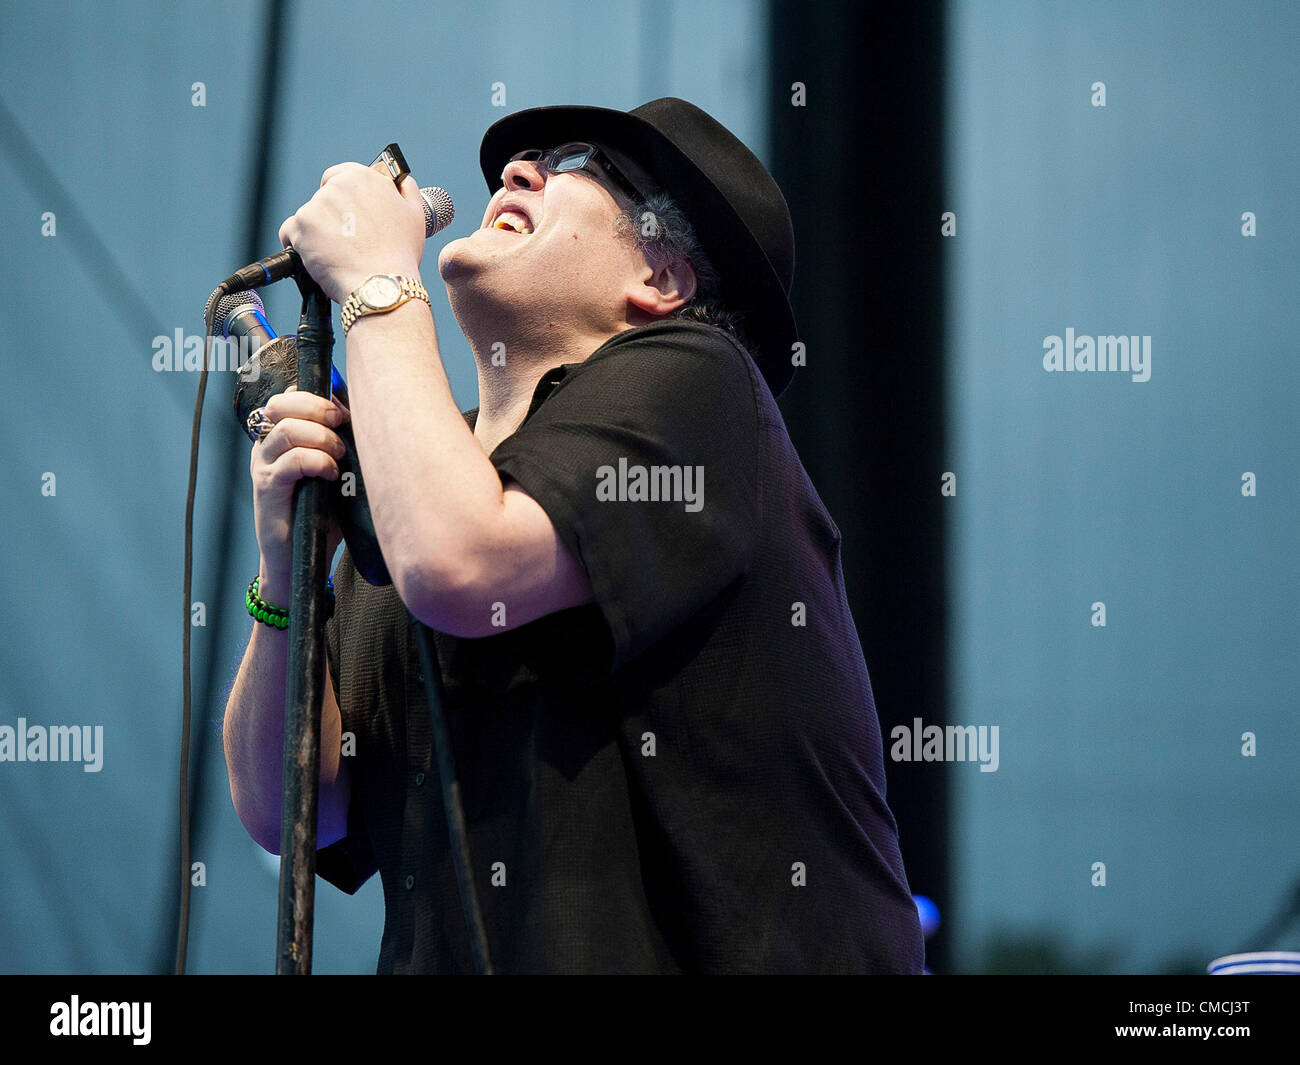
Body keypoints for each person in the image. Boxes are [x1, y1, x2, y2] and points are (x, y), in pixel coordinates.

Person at [222, 97, 924, 974]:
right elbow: (297, 810)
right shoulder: (425, 482)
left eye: (575, 162)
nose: (516, 170)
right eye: (522, 159)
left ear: (662, 280)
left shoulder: (703, 385)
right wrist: (285, 578)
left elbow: (462, 562)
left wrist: (375, 284)